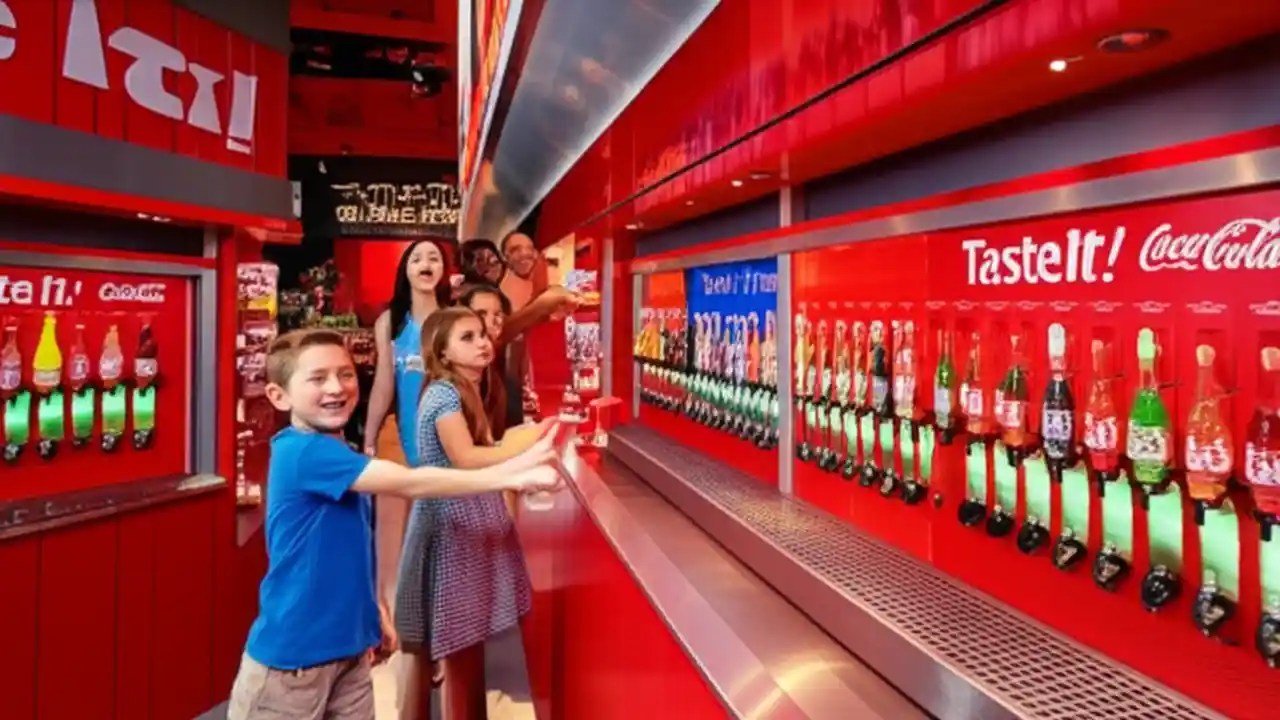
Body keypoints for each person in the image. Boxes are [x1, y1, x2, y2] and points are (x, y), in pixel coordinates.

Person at [227, 329, 559, 720]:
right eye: (317, 378)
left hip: (348, 655)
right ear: (278, 396)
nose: (336, 387)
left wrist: (373, 610)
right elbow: (412, 482)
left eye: (345, 374)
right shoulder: (304, 452)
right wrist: (512, 474)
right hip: (291, 668)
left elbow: (342, 548)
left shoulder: (335, 449)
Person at [395, 308, 549, 720]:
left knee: (456, 641)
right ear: (442, 352)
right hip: (451, 524)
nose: (483, 342)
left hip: (462, 519)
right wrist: (534, 442)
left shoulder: (466, 388)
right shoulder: (445, 392)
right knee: (455, 639)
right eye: (468, 337)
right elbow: (465, 458)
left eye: (483, 334)